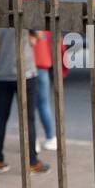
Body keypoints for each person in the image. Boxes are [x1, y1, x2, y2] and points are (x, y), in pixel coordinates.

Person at [0, 0, 49, 175]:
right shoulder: (20, 9)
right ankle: (32, 161)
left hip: (0, 72)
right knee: (28, 119)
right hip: (25, 72)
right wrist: (30, 37)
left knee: (0, 117)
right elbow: (39, 36)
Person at [31, 17, 58, 150]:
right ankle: (50, 137)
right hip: (43, 67)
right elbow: (56, 44)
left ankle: (33, 141)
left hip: (27, 68)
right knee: (44, 104)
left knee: (27, 107)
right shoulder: (44, 21)